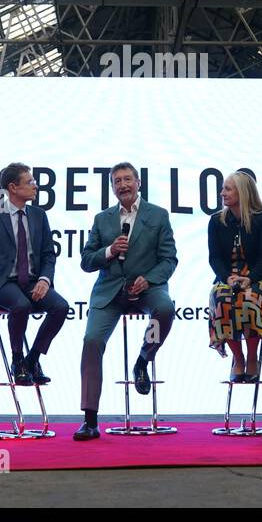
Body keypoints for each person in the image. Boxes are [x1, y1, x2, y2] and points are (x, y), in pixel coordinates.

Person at [73, 162, 178, 441]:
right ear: (112, 187)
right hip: (110, 291)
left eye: (127, 179)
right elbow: (86, 261)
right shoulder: (102, 219)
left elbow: (169, 259)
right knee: (92, 341)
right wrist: (108, 251)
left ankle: (143, 359)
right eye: (117, 181)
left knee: (165, 309)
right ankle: (90, 419)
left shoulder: (158, 215)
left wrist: (151, 279)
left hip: (146, 287)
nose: (123, 185)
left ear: (138, 182)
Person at [0, 163, 69, 385]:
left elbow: (48, 255)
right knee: (21, 305)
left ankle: (32, 358)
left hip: (34, 280)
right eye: (30, 182)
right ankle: (17, 360)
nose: (35, 186)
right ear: (13, 188)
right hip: (4, 282)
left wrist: (45, 280)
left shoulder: (39, 215)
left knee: (61, 307)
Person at [207, 171, 262, 381]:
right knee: (221, 298)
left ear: (243, 192)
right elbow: (215, 259)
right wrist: (227, 277)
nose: (222, 193)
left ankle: (252, 357)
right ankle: (238, 357)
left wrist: (250, 278)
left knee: (250, 299)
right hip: (227, 277)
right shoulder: (216, 222)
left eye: (227, 189)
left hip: (258, 278)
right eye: (223, 188)